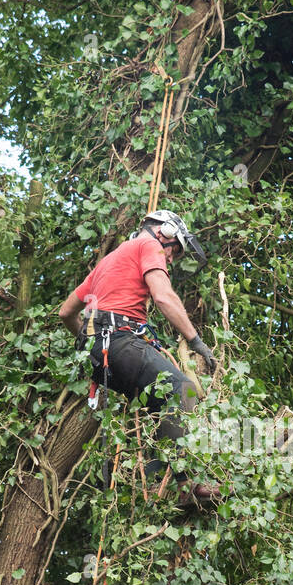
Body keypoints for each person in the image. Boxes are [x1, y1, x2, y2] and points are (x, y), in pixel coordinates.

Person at [58, 210, 221, 505]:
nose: (171, 259)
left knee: (162, 404)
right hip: (119, 342)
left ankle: (162, 485)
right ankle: (185, 486)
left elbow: (66, 312)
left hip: (101, 356)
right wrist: (196, 341)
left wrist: (89, 340)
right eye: (175, 251)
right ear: (165, 233)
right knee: (183, 390)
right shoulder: (149, 246)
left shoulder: (108, 262)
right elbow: (163, 296)